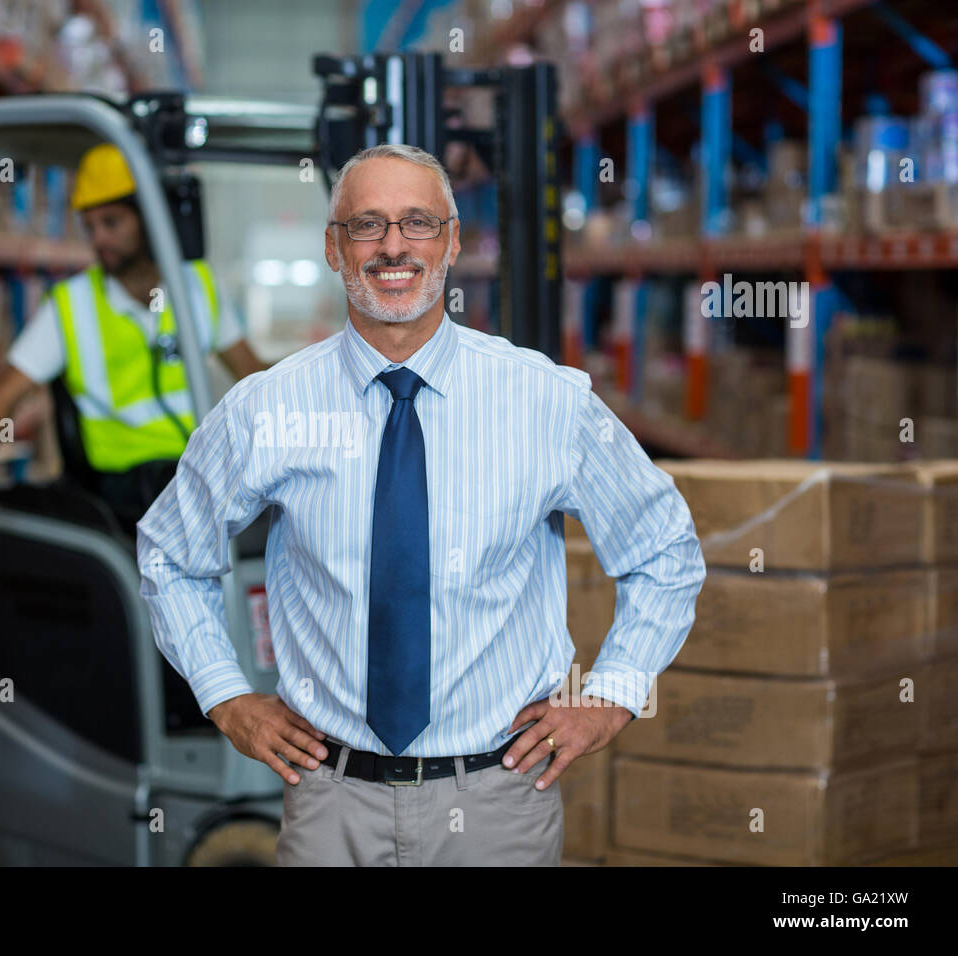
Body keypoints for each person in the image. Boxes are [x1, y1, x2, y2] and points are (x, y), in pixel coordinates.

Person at [136, 144, 706, 866]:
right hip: (329, 801)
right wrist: (226, 698)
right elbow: (168, 553)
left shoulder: (544, 401)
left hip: (499, 802)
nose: (394, 246)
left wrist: (610, 697)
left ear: (454, 241)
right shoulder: (266, 409)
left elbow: (664, 552)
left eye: (419, 223)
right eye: (367, 225)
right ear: (333, 248)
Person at [0, 143, 268, 527]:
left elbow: (254, 374)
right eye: (89, 226)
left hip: (191, 471)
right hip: (123, 486)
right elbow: (5, 394)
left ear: (150, 218)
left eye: (112, 223)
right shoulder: (69, 305)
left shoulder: (198, 286)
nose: (99, 239)